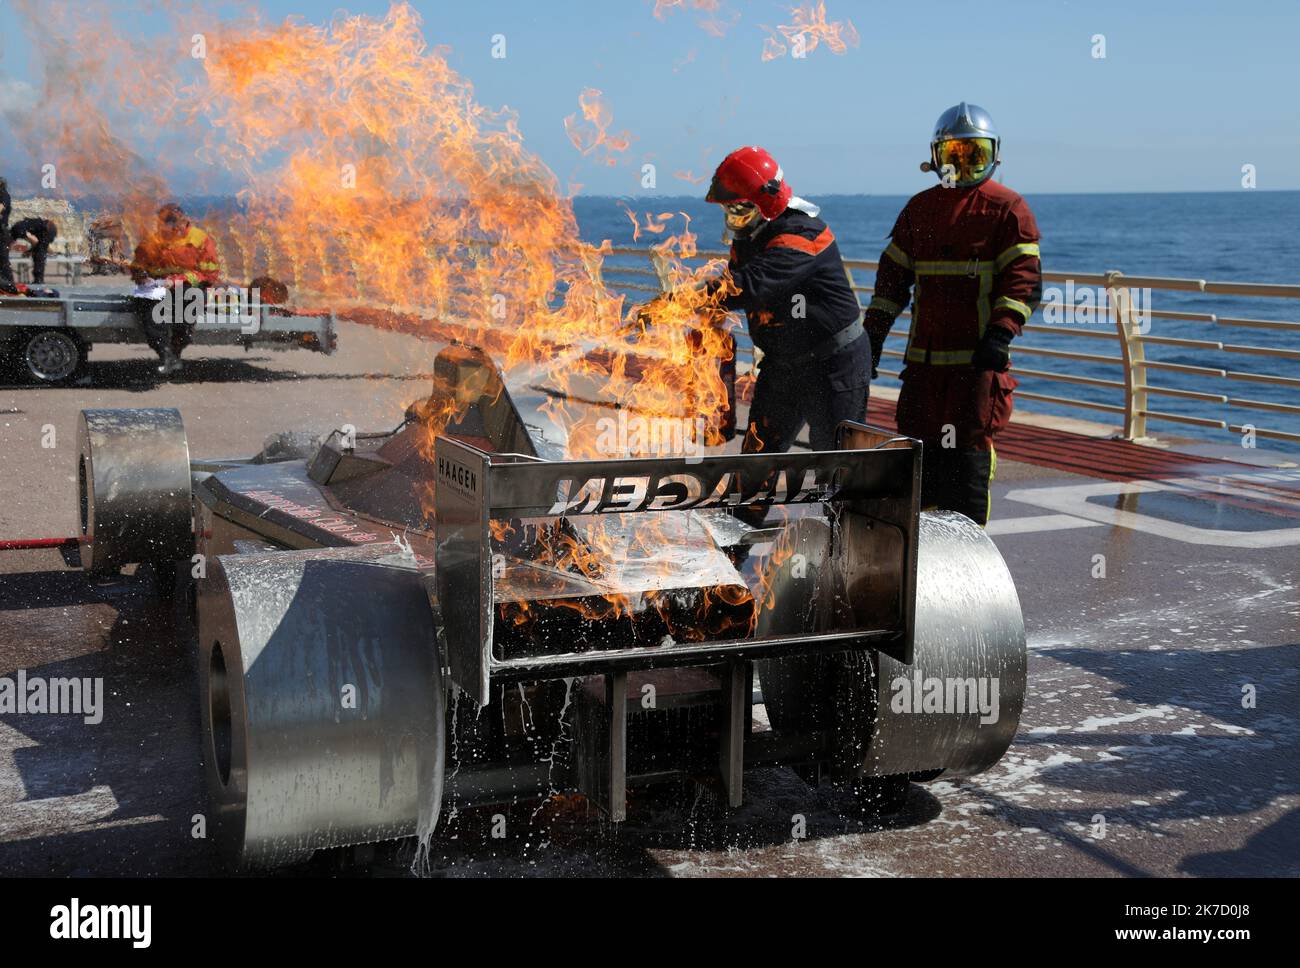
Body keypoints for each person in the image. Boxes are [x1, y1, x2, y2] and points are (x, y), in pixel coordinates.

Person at [864, 103, 1042, 526]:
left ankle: (972, 559)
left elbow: (1025, 281)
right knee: (917, 464)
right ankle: (921, 562)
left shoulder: (1007, 209)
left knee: (968, 465)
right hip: (923, 373)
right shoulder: (920, 210)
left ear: (994, 156)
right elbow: (891, 283)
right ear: (936, 156)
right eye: (954, 154)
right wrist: (872, 336)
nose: (963, 164)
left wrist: (1000, 334)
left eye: (974, 154)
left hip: (977, 371)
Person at [701, 146, 868, 456]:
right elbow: (735, 286)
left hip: (833, 364)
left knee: (837, 470)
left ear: (765, 202)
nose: (732, 219)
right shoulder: (751, 237)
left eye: (738, 210)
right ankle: (744, 506)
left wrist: (682, 299)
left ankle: (840, 503)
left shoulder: (802, 234)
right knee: (754, 465)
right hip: (782, 364)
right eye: (729, 211)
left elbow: (748, 286)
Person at [130, 203, 221, 375]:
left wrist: (178, 280)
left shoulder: (200, 239)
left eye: (172, 224)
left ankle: (175, 351)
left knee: (185, 314)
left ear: (182, 222)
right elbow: (139, 264)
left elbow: (209, 273)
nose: (167, 230)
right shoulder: (155, 239)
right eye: (163, 224)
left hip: (188, 288)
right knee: (149, 312)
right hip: (157, 288)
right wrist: (140, 274)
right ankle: (165, 354)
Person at [8, 217, 58, 284]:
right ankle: (38, 279)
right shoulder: (21, 229)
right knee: (40, 252)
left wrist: (30, 249)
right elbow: (36, 243)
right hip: (40, 229)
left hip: (46, 229)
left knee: (40, 254)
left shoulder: (20, 229)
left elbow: (37, 243)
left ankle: (38, 280)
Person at [0, 176, 13, 291]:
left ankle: (8, 286)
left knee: (3, 260)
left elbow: (0, 208)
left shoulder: (4, 195)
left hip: (1, 232)